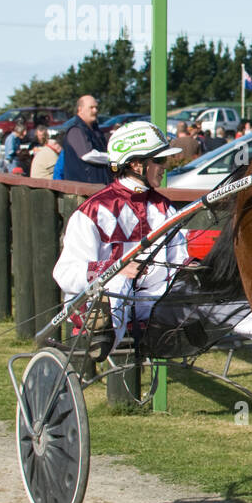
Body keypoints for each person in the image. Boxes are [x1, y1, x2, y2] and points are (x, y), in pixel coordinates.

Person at [53, 122, 187, 354]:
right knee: (116, 281)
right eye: (159, 160)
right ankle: (104, 339)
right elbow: (64, 274)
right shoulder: (92, 212)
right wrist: (115, 269)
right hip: (99, 303)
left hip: (152, 301)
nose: (165, 167)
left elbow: (178, 261)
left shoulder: (166, 208)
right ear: (136, 164)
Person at [63, 95, 110, 184]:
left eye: (96, 107)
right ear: (80, 109)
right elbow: (87, 155)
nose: (95, 111)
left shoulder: (96, 130)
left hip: (98, 186)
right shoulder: (75, 130)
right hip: (81, 191)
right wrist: (113, 158)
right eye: (91, 107)